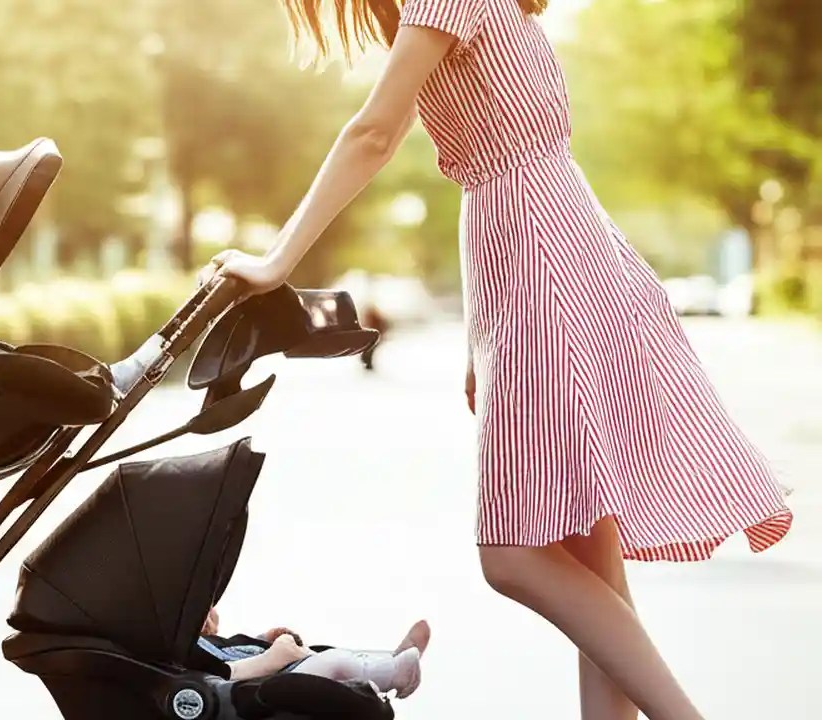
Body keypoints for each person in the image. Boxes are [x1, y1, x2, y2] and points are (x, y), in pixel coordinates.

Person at [198, 2, 793, 718]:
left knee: (512, 555)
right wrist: (479, 332)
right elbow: (484, 175)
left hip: (545, 265)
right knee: (589, 558)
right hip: (548, 253)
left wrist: (275, 262)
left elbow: (374, 134)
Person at [195, 606, 430, 699]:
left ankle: (389, 660)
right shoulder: (193, 651)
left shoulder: (224, 643)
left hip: (284, 665)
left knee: (325, 653)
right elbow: (225, 668)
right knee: (334, 663)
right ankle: (391, 672)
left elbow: (247, 646)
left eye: (210, 616)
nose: (206, 621)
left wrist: (268, 637)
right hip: (251, 681)